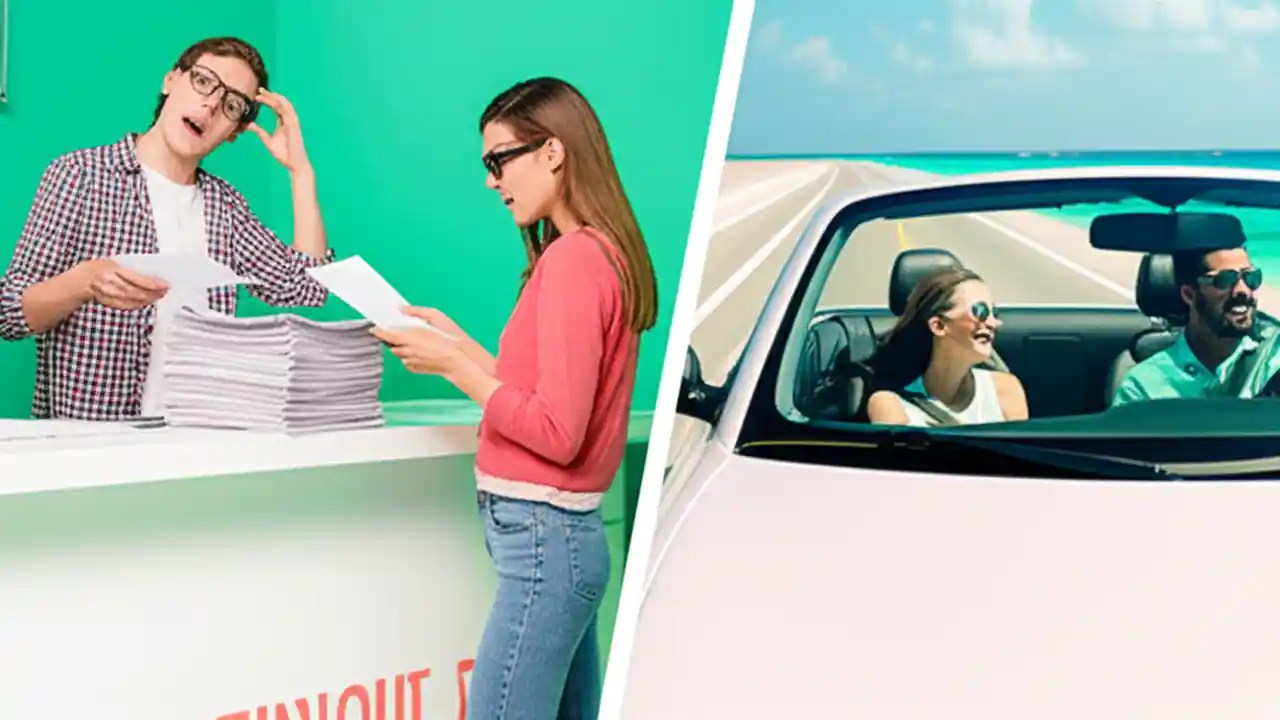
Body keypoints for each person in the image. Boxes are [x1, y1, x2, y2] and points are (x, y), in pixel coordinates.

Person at [372, 77, 657, 719]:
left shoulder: (573, 261)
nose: (491, 181)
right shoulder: (598, 253)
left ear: (553, 151)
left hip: (543, 541)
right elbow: (542, 391)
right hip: (561, 540)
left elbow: (556, 431)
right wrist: (460, 347)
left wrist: (454, 369)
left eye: (499, 161)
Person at [0, 36, 334, 421]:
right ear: (171, 80)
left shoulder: (226, 208)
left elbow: (306, 286)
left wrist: (300, 171)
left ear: (233, 132)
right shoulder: (79, 176)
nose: (211, 104)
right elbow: (9, 314)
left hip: (195, 444)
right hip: (92, 449)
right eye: (204, 81)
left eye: (231, 105)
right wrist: (84, 281)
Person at [1113, 245, 1280, 405]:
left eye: (1251, 277)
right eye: (1225, 280)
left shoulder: (1272, 358)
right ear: (1189, 294)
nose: (1242, 290)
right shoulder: (1144, 388)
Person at [865, 267, 1028, 426]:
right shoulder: (890, 405)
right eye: (980, 311)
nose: (994, 323)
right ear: (939, 326)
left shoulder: (1006, 390)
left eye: (995, 313)